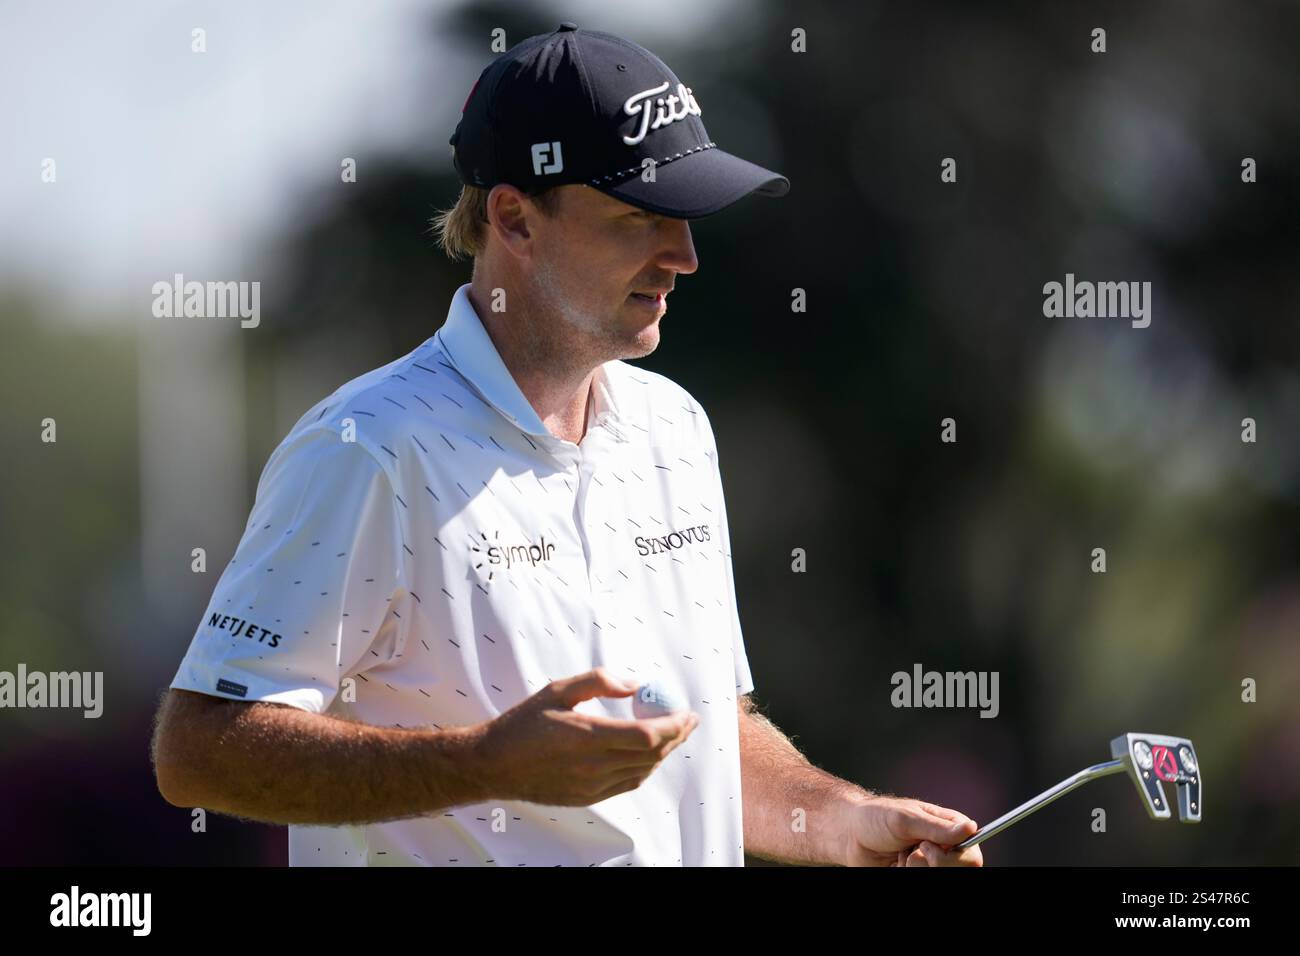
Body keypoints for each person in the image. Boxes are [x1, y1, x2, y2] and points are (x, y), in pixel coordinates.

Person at [151, 22, 982, 867]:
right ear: (514, 219)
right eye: (640, 218)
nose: (684, 257)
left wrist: (846, 820)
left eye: (686, 219)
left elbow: (710, 737)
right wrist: (480, 765)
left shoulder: (676, 432)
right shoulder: (368, 447)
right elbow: (199, 750)